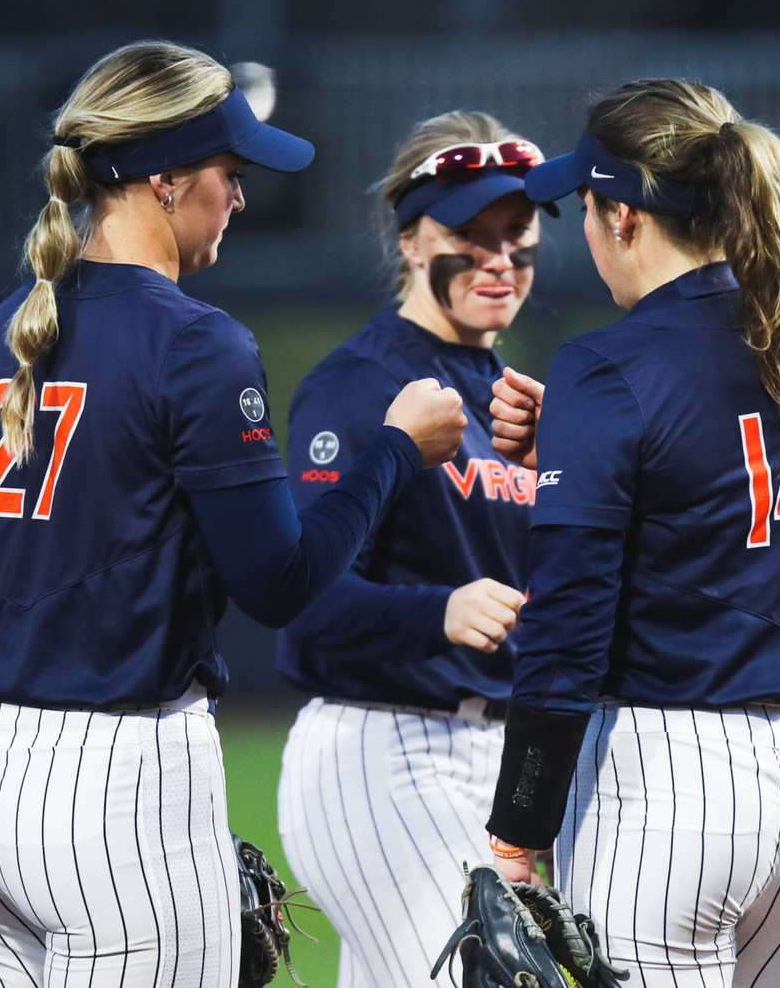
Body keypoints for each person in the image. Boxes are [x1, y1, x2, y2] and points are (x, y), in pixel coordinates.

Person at [0, 40, 467, 988]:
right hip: (115, 786)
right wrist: (391, 452)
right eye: (229, 172)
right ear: (165, 180)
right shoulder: (196, 343)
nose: (240, 198)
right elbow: (279, 584)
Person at [482, 79, 780, 987]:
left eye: (585, 207)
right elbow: (715, 491)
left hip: (669, 783)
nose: (585, 229)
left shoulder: (607, 367)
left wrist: (517, 831)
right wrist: (577, 449)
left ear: (624, 216)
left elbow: (567, 620)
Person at [273, 112, 549, 987]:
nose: (498, 257)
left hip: (492, 756)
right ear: (410, 239)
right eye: (470, 233)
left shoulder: (513, 398)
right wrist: (439, 611)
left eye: (517, 232)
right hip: (381, 748)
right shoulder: (361, 385)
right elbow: (301, 598)